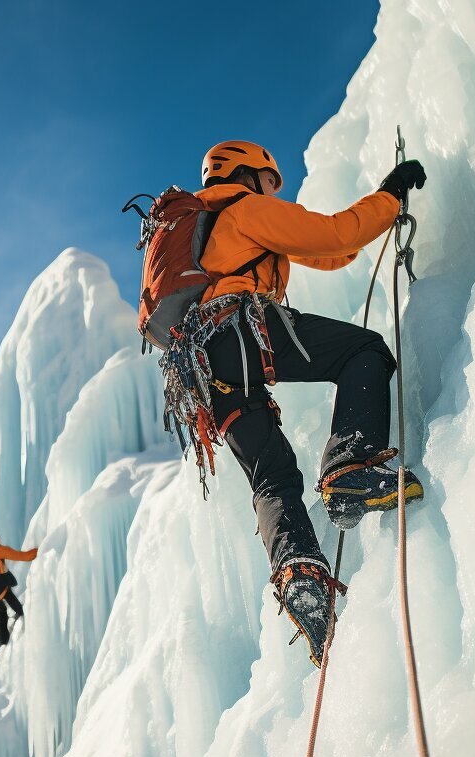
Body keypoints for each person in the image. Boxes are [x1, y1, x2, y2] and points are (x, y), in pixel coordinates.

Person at [189, 140, 427, 666]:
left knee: (270, 477)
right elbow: (335, 234)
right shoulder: (245, 210)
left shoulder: (212, 229)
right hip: (239, 328)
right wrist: (389, 198)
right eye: (271, 181)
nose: (277, 191)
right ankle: (351, 467)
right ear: (249, 175)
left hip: (204, 374)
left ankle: (301, 575)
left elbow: (330, 253)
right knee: (364, 350)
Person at [0, 534, 37, 646]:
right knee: (3, 610)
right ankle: (5, 642)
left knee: (5, 600)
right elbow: (21, 556)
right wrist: (38, 551)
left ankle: (19, 613)